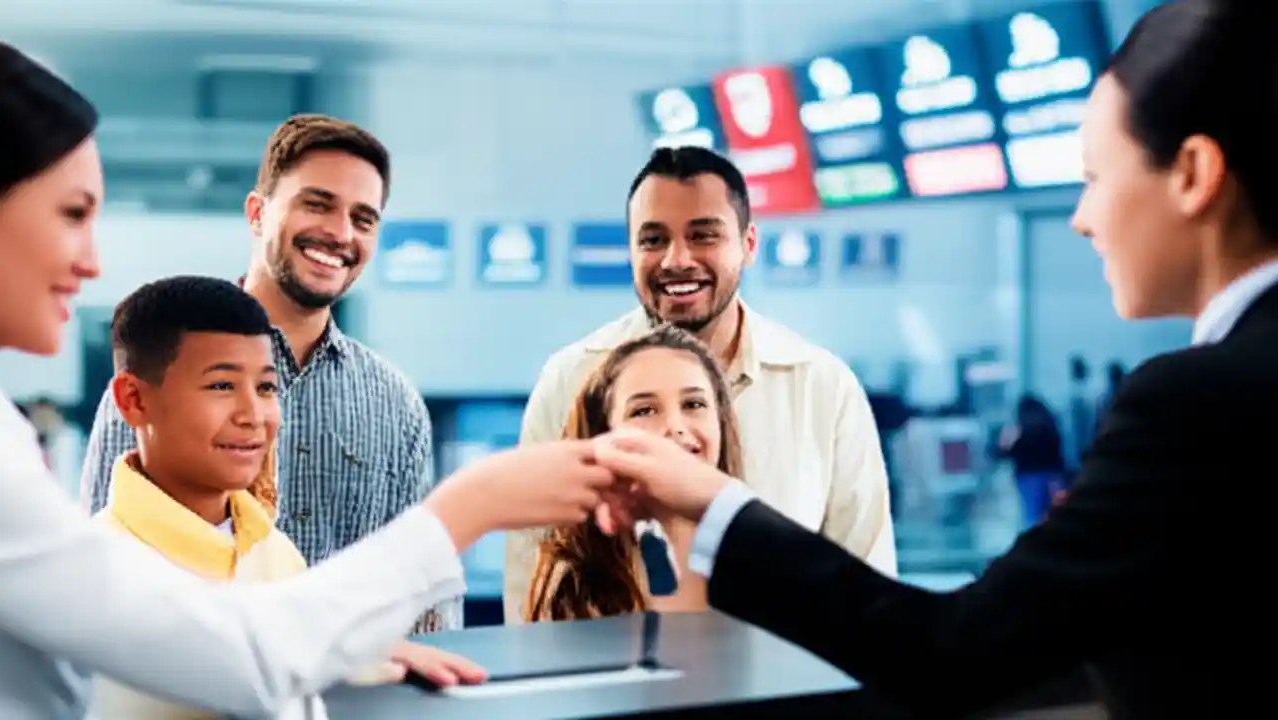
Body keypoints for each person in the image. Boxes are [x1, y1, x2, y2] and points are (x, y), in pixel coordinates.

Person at [590, 2, 1272, 717]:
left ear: (1193, 172)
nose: (1082, 216)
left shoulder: (1193, 403)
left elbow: (952, 655)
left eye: (1096, 177)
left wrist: (708, 500)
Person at [0, 42, 614, 718]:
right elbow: (214, 644)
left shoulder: (383, 409)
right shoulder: (152, 366)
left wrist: (370, 656)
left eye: (364, 217)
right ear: (258, 213)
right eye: (72, 213)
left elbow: (361, 627)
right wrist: (471, 507)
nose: (93, 261)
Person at [78, 111, 462, 630]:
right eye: (317, 204)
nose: (339, 233)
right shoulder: (160, 375)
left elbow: (422, 596)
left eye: (363, 218)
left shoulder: (394, 401)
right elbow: (104, 558)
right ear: (257, 213)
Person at [506, 145, 895, 622]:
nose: (677, 259)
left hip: (787, 687)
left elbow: (867, 584)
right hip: (617, 683)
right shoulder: (571, 378)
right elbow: (534, 578)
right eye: (652, 240)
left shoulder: (821, 385)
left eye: (703, 235)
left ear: (749, 245)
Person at [87, 276, 486, 719]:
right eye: (221, 386)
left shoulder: (275, 552)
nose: (254, 416)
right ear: (134, 400)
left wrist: (355, 655)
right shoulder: (99, 570)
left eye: (266, 388)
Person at [524, 325, 744, 621]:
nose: (675, 427)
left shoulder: (762, 565)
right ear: (604, 434)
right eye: (644, 411)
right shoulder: (575, 585)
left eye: (694, 404)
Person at [996, 394, 1067, 527]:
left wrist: (1005, 442)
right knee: (1054, 512)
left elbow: (1004, 454)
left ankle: (1036, 543)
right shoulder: (1050, 426)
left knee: (1032, 515)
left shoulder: (1020, 431)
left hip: (1028, 477)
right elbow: (1058, 452)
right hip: (1053, 475)